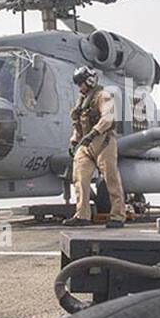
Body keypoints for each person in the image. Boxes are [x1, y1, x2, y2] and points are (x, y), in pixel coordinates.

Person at [64, 65, 125, 227]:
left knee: (110, 179)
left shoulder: (103, 96)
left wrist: (93, 133)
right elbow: (78, 125)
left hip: (103, 141)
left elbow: (107, 118)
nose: (79, 87)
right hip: (85, 143)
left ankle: (118, 215)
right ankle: (82, 215)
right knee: (80, 178)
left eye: (81, 83)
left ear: (89, 81)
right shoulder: (82, 101)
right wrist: (73, 141)